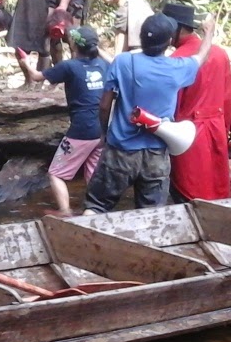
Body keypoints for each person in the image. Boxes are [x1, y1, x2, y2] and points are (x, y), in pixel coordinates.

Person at [84, 12, 216, 214]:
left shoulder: (122, 62)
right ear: (169, 41)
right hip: (156, 155)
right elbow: (201, 57)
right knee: (152, 215)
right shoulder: (176, 67)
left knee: (96, 206)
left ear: (141, 37)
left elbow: (104, 105)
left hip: (120, 151)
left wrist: (103, 133)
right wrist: (209, 32)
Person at [17, 26, 109, 216]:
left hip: (81, 130)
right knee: (92, 173)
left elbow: (36, 77)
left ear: (73, 45)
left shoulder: (69, 66)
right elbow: (114, 63)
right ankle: (94, 210)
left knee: (56, 174)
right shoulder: (103, 65)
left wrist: (25, 62)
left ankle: (65, 211)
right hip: (102, 129)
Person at [163, 3, 231, 201]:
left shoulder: (177, 59)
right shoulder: (220, 54)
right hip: (217, 128)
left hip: (188, 133)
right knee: (217, 190)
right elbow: (228, 98)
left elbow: (171, 106)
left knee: (188, 191)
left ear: (177, 28)